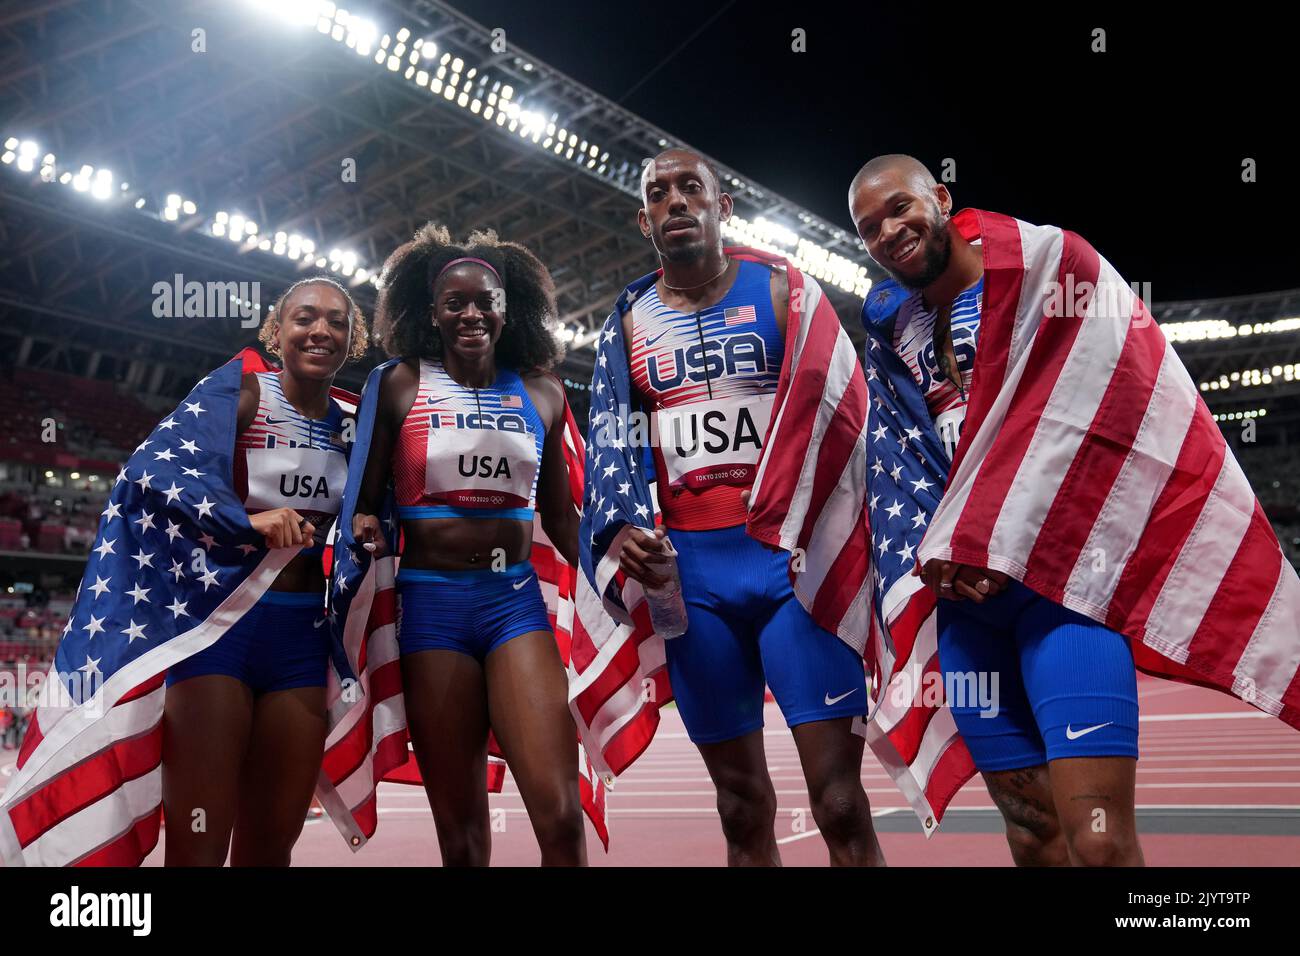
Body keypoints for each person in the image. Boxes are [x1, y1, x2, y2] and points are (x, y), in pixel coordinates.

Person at [848, 154, 1143, 865]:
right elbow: (898, 466)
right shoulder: (894, 331)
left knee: (1099, 844)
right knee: (1032, 834)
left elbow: (1104, 414)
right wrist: (937, 559)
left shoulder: (1043, 280)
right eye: (868, 228)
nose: (889, 231)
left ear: (941, 198)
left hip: (1062, 592)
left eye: (899, 208)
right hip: (969, 609)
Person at [595, 148, 884, 866]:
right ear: (643, 220)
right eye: (659, 194)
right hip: (691, 580)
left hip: (793, 565)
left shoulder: (786, 292)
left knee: (841, 804)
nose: (676, 203)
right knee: (740, 807)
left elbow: (848, 417)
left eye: (692, 189)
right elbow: (611, 449)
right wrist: (623, 524)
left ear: (724, 208)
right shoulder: (628, 323)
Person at [351, 224, 586, 866]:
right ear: (432, 313)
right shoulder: (399, 384)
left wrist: (627, 566)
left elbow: (564, 522)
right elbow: (363, 501)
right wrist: (367, 525)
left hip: (512, 605)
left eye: (485, 300)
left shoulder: (542, 393)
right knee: (462, 838)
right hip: (432, 612)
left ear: (508, 309)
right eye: (455, 302)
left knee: (562, 819)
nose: (472, 313)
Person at [161, 276, 368, 866]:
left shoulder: (356, 422)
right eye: (305, 318)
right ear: (276, 332)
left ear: (352, 342)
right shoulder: (244, 395)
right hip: (219, 632)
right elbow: (165, 480)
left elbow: (385, 495)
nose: (320, 330)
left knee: (270, 847)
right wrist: (246, 522)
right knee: (197, 847)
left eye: (336, 321)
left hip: (301, 640)